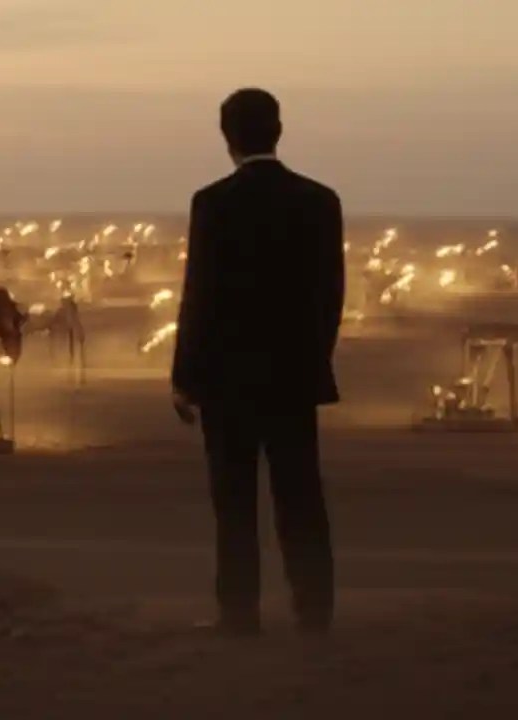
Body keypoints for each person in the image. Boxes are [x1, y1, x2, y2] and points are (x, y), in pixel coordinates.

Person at [172, 88, 345, 636]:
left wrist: (184, 377)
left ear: (228, 137)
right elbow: (330, 295)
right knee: (300, 497)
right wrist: (313, 359)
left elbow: (198, 295)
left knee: (235, 503)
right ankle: (314, 611)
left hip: (227, 381)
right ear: (278, 130)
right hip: (293, 379)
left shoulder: (212, 203)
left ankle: (239, 614)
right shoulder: (320, 201)